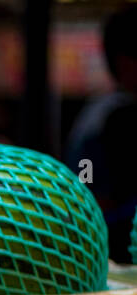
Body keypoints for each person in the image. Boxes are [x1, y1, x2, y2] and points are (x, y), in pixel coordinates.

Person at [66, 7, 137, 263]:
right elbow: (92, 206)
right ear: (124, 62)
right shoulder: (106, 122)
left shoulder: (99, 117)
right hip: (115, 262)